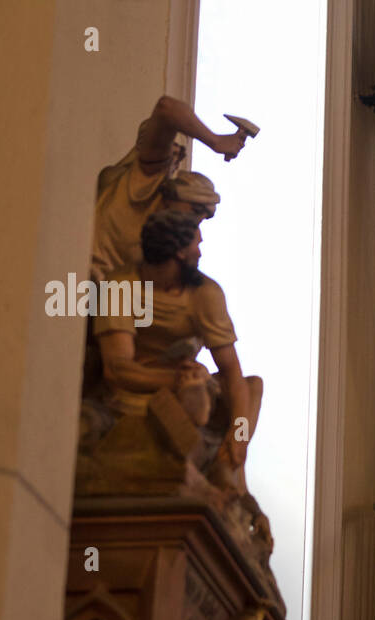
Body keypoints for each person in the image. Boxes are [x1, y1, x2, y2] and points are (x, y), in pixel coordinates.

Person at [93, 209, 260, 497]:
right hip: (142, 385)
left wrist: (239, 435)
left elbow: (234, 375)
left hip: (191, 382)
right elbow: (117, 368)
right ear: (179, 252)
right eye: (196, 244)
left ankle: (225, 468)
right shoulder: (121, 285)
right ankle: (201, 454)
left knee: (252, 386)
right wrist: (177, 380)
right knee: (191, 393)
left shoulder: (205, 293)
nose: (200, 251)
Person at [90, 96, 245, 281]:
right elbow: (167, 108)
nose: (190, 226)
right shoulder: (146, 180)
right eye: (195, 214)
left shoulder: (163, 235)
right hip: (78, 285)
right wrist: (216, 141)